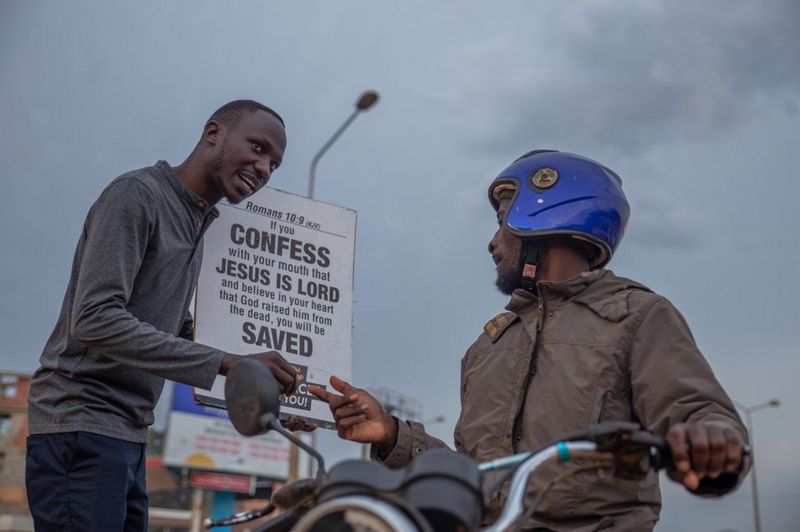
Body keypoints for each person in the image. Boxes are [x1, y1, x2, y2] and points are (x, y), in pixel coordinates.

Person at [311, 150, 749, 531]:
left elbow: (695, 409)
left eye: (502, 223)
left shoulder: (636, 315)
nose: (491, 243)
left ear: (543, 216)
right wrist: (390, 435)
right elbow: (475, 476)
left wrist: (707, 438)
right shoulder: (488, 349)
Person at [26, 100, 301, 532]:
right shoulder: (137, 196)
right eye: (257, 146)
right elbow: (95, 319)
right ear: (214, 132)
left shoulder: (202, 225)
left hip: (129, 432)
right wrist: (229, 362)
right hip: (80, 422)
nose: (264, 167)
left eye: (275, 163)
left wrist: (267, 391)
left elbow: (180, 338)